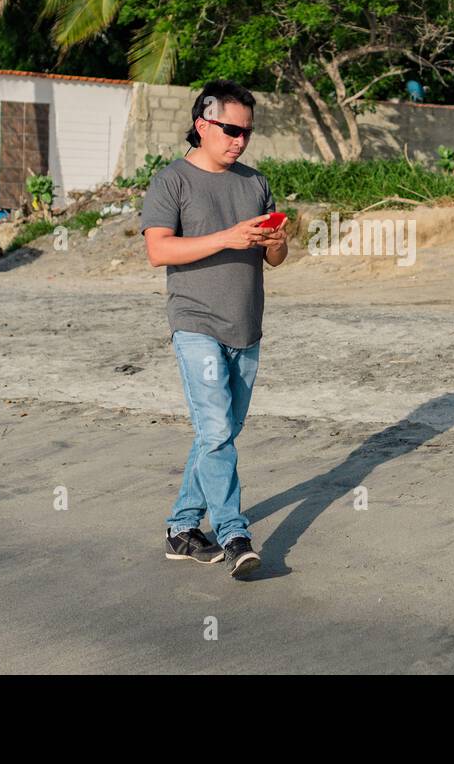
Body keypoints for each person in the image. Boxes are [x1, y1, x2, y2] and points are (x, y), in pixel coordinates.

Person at [139, 80, 288, 579]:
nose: (239, 140)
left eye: (247, 132)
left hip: (247, 326)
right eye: (230, 129)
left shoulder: (255, 183)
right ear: (203, 124)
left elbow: (276, 260)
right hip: (195, 324)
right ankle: (233, 534)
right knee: (218, 430)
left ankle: (182, 527)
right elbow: (159, 250)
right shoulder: (171, 182)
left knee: (218, 433)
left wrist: (275, 241)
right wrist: (228, 237)